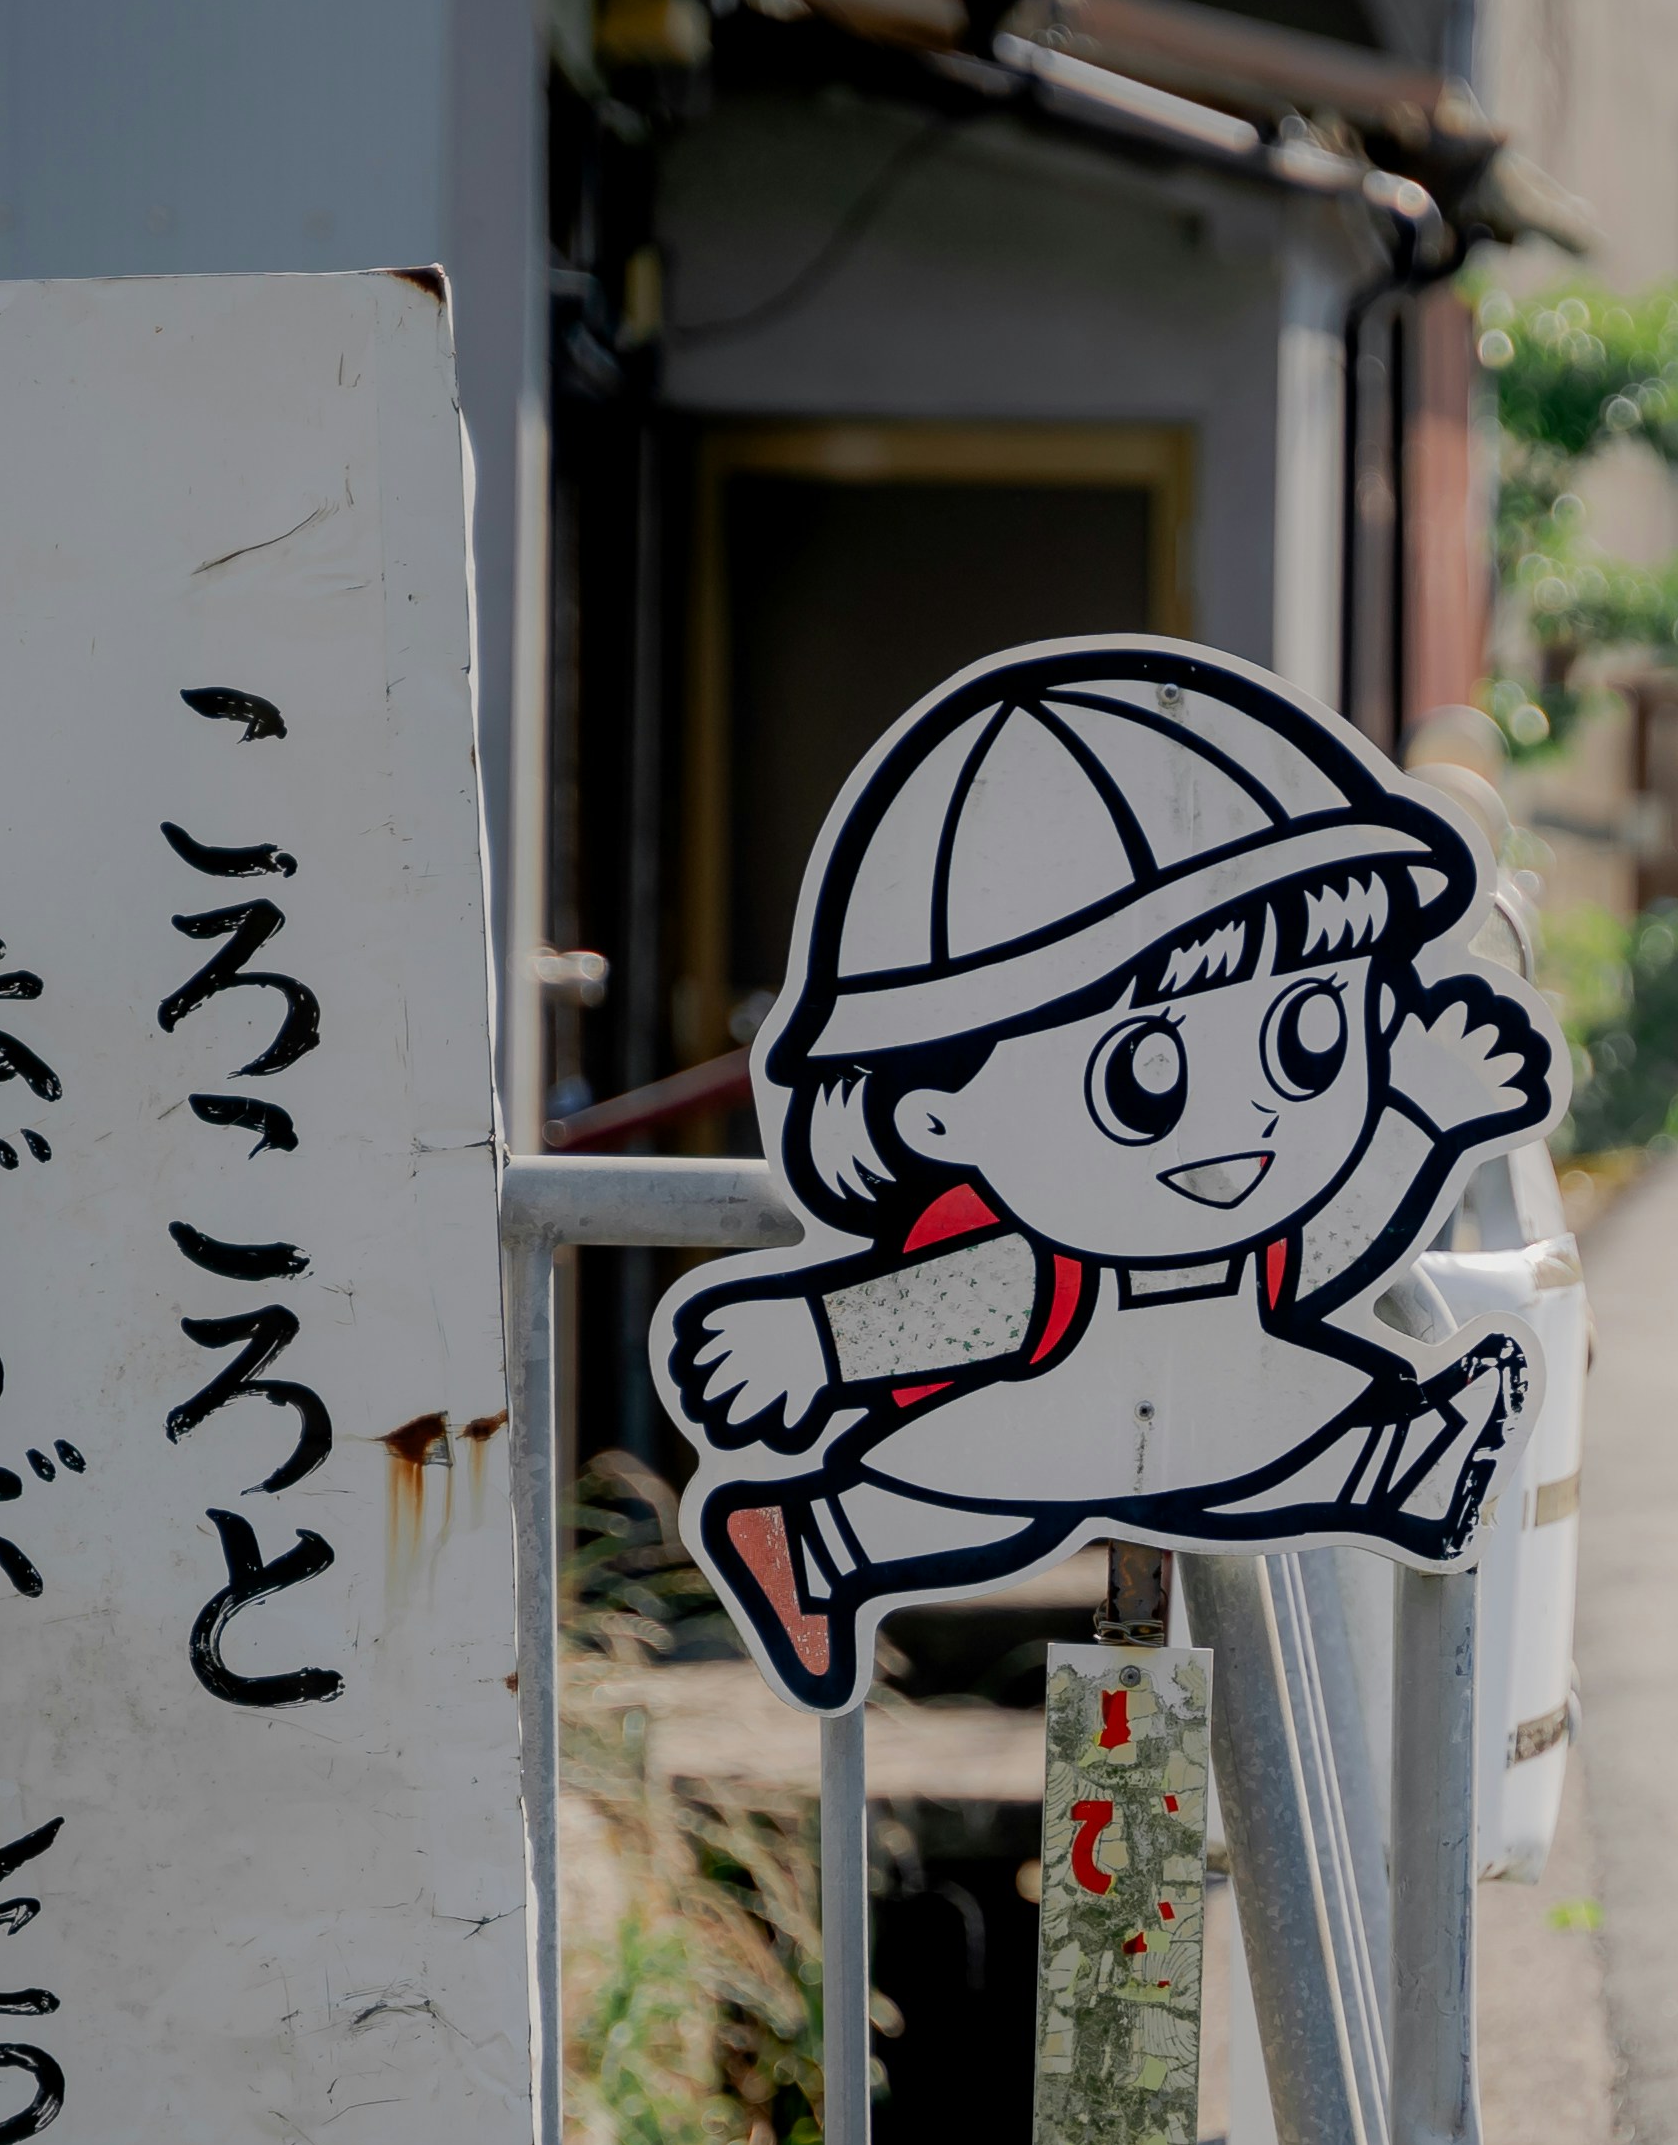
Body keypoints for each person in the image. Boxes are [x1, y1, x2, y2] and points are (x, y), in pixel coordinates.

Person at [651, 641, 1552, 1709]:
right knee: (1052, 1477)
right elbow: (966, 1301)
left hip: (1214, 1402)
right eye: (1146, 1077)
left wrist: (1417, 1116)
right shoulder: (1047, 1264)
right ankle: (816, 1541)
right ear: (935, 1106)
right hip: (1070, 1416)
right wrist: (816, 1338)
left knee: (1276, 1427)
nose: (1250, 1114)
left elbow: (1333, 1240)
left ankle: (1396, 1469)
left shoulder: (1257, 1243)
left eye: (1308, 1034)